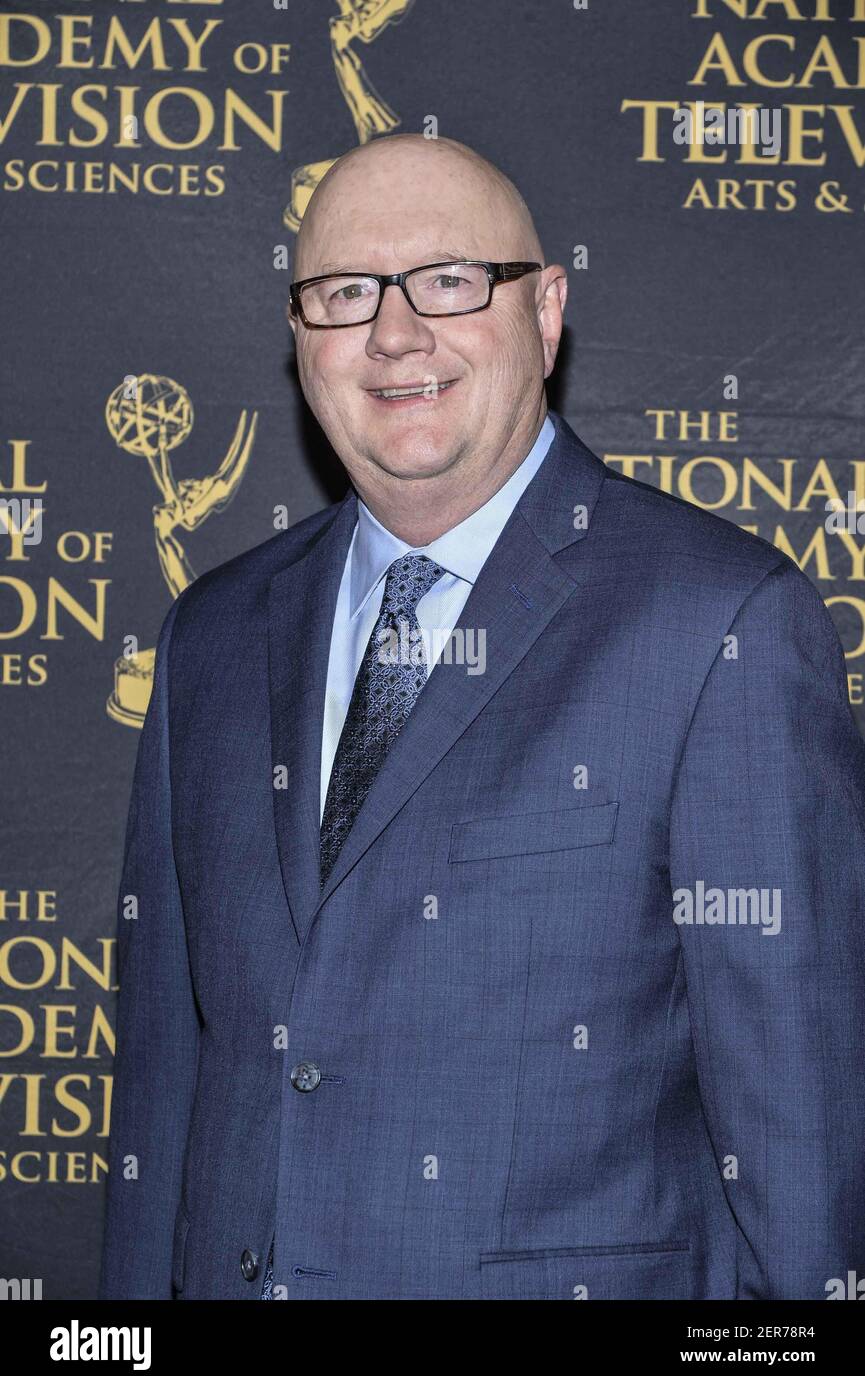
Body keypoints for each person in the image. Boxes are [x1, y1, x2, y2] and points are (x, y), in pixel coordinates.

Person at [99, 134, 865, 1301]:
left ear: (546, 311)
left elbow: (798, 1146)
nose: (394, 334)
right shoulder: (211, 636)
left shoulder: (719, 625)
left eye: (451, 281)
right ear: (300, 337)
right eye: (344, 293)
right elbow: (163, 1090)